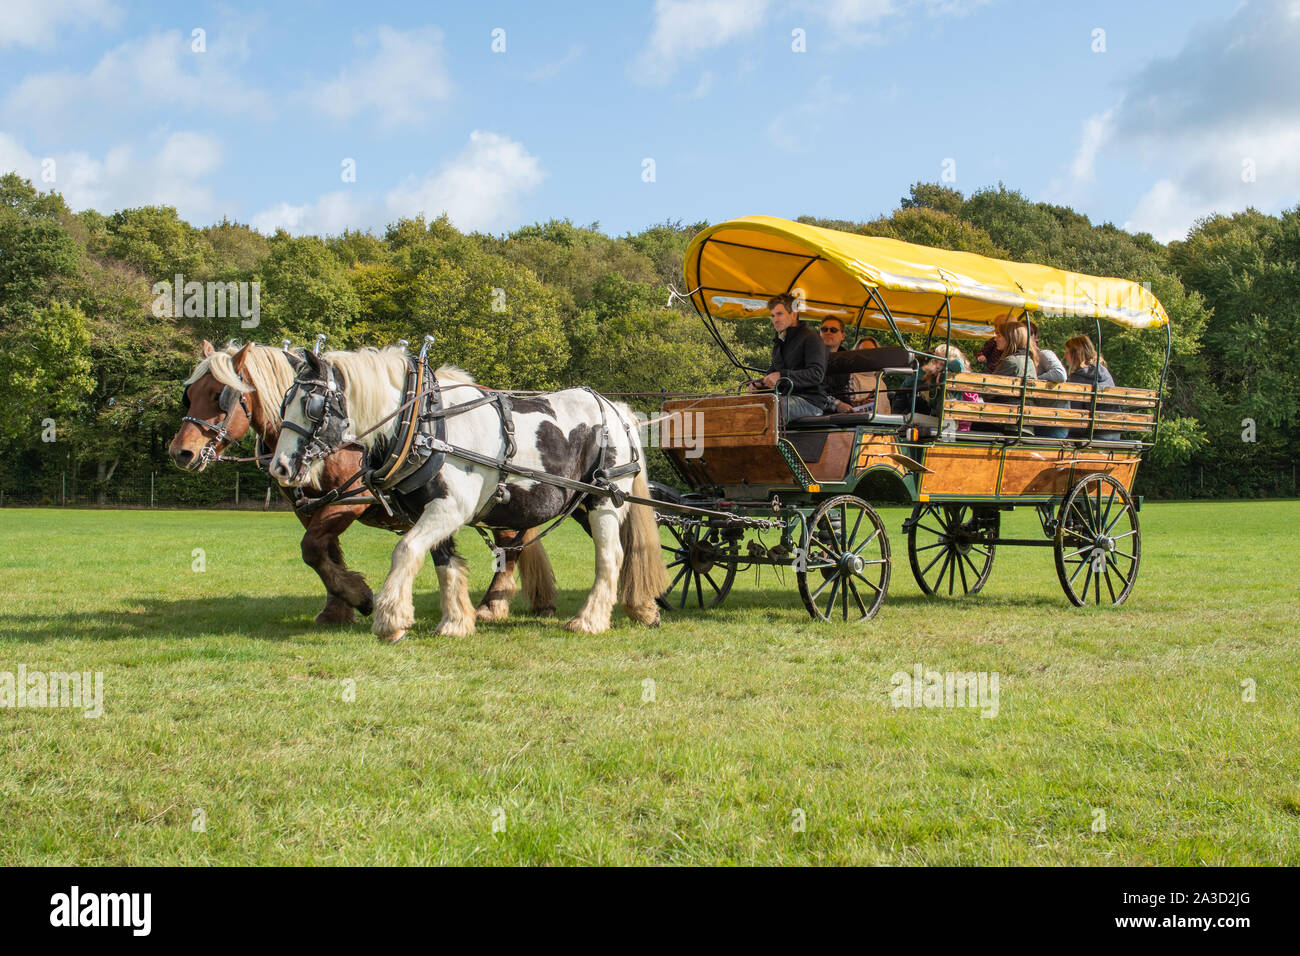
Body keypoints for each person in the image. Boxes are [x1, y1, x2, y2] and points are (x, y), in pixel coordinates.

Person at [750, 293, 831, 419]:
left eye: (779, 314)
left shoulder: (811, 338)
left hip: (810, 401)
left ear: (794, 314)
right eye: (772, 315)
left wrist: (782, 376)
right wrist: (759, 383)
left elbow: (816, 374)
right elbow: (772, 373)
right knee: (743, 406)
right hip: (785, 399)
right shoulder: (780, 342)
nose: (775, 319)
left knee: (765, 410)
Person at [1064, 335, 1121, 441]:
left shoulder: (1076, 378)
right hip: (1114, 431)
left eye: (1067, 352)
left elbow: (1075, 416)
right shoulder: (1105, 372)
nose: (1064, 355)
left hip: (1092, 435)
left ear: (1076, 354)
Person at [919, 344, 982, 430]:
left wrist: (944, 369)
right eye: (936, 361)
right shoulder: (939, 378)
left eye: (941, 362)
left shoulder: (955, 378)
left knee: (911, 418)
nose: (937, 366)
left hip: (954, 425)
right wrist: (934, 388)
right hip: (945, 420)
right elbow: (933, 405)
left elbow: (958, 364)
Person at [1030, 322, 1070, 439]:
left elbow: (1060, 374)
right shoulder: (1024, 358)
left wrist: (1035, 380)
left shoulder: (1044, 354)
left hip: (1053, 420)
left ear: (1036, 338)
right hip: (1038, 418)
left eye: (1029, 333)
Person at [846, 337, 892, 415]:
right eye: (863, 351)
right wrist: (863, 403)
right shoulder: (851, 377)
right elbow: (849, 406)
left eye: (872, 351)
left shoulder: (880, 381)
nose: (867, 355)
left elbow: (887, 409)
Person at [820, 318, 854, 412]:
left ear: (843, 336)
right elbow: (812, 392)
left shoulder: (847, 360)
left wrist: (860, 403)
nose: (828, 332)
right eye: (824, 329)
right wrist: (837, 405)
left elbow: (848, 394)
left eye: (833, 330)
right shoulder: (810, 356)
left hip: (839, 415)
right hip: (816, 413)